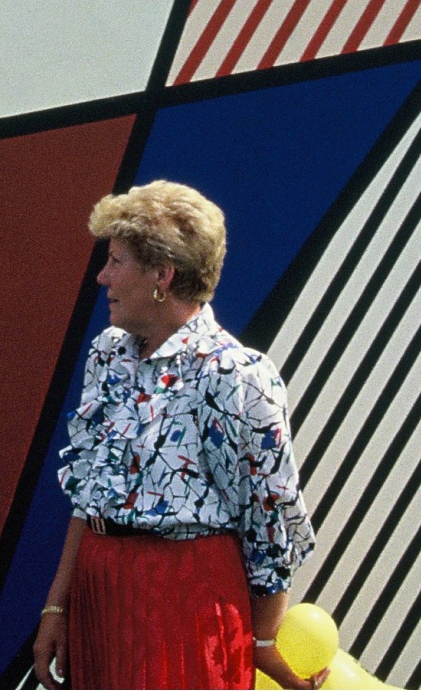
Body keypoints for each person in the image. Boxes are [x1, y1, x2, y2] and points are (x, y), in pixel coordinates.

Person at [35, 180, 319, 690]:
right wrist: (58, 605)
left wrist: (264, 641)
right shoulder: (109, 354)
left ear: (161, 276)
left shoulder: (234, 372)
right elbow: (88, 491)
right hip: (101, 595)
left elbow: (270, 517)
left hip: (185, 603)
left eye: (116, 261)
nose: (102, 277)